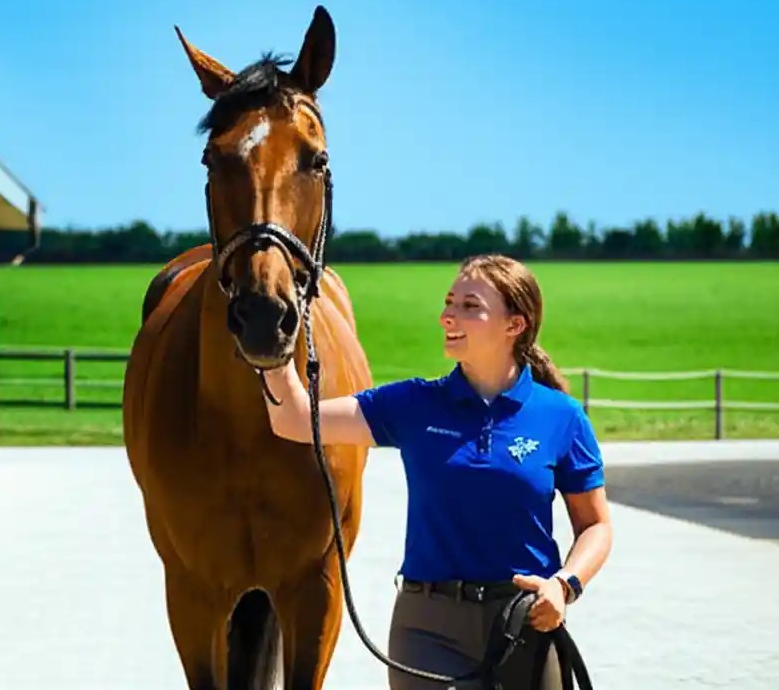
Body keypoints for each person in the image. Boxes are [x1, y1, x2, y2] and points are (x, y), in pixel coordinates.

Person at [259, 253, 613, 689]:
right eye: (449, 303)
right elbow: (292, 420)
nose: (448, 316)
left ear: (514, 325)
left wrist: (565, 585)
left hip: (526, 621)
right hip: (427, 627)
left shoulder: (561, 416)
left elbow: (595, 525)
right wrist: (272, 351)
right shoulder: (412, 405)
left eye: (470, 306)